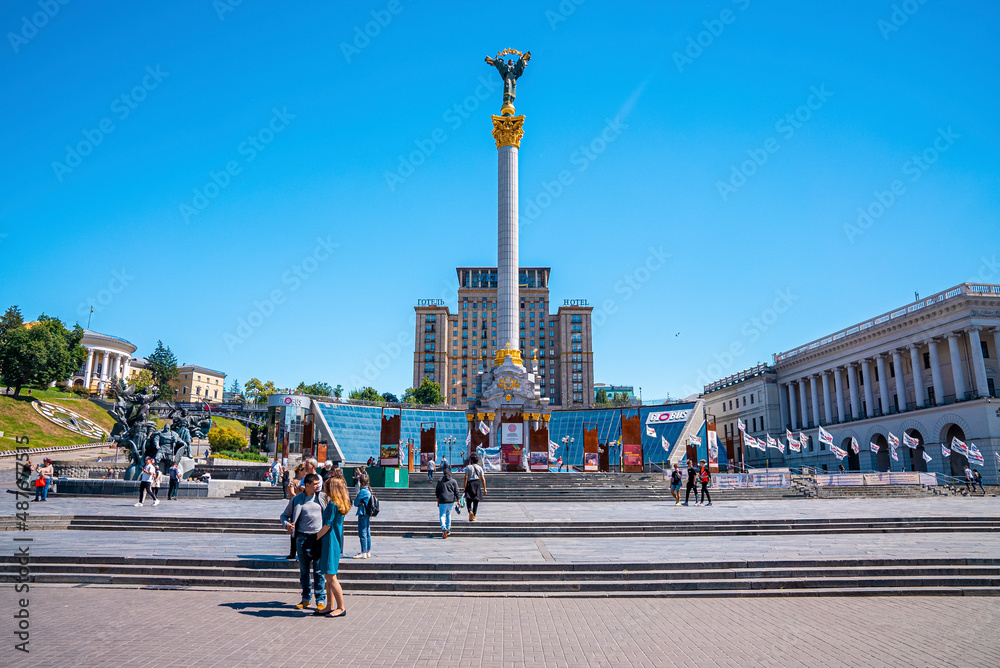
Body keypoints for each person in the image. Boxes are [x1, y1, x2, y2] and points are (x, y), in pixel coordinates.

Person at [280, 473, 327, 611]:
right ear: (307, 485)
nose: (319, 486)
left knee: (319, 571)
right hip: (302, 538)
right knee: (304, 571)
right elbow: (284, 515)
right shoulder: (297, 500)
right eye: (316, 484)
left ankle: (320, 599)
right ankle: (306, 598)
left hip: (317, 538)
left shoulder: (322, 498)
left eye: (319, 484)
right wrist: (287, 525)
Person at [314, 474, 349, 617]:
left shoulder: (332, 505)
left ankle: (341, 607)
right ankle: (330, 605)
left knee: (331, 577)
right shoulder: (339, 504)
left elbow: (327, 525)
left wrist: (315, 537)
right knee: (328, 577)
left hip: (330, 542)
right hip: (333, 542)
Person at [285, 463, 306, 560]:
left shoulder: (307, 481)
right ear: (299, 471)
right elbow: (291, 493)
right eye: (304, 470)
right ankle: (292, 552)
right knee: (294, 530)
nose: (306, 472)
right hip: (295, 507)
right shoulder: (293, 481)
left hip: (306, 507)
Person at [435, 465, 461, 538]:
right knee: (448, 514)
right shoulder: (453, 481)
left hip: (442, 500)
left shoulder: (440, 480)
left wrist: (437, 500)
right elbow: (456, 492)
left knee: (442, 515)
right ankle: (448, 529)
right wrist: (458, 500)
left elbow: (437, 491)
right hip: (450, 500)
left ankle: (443, 528)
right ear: (450, 475)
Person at [352, 472, 373, 559]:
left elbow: (356, 503)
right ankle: (368, 551)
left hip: (363, 512)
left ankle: (363, 551)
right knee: (367, 532)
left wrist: (359, 500)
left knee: (362, 532)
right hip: (368, 513)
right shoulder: (369, 490)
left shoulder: (362, 491)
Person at [463, 453, 487, 522]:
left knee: (469, 499)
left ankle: (470, 511)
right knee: (476, 500)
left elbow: (466, 477)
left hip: (470, 483)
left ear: (472, 460)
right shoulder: (480, 468)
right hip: (477, 483)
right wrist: (485, 488)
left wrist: (464, 486)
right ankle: (474, 515)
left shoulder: (468, 467)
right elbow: (483, 478)